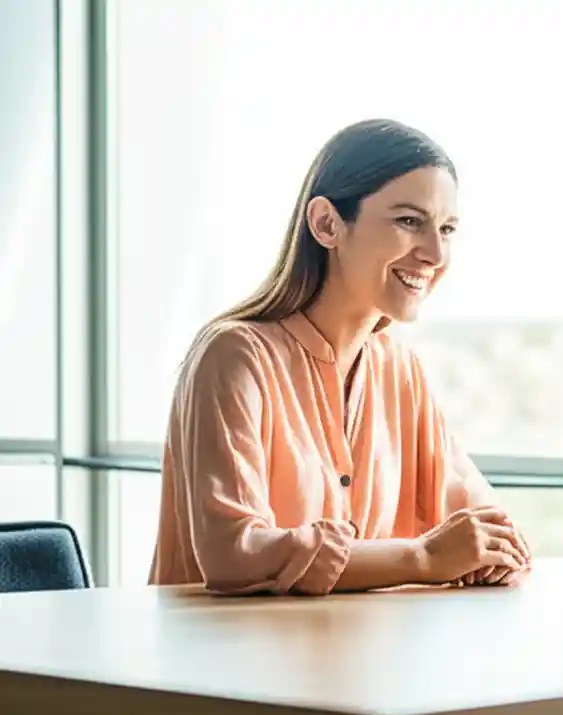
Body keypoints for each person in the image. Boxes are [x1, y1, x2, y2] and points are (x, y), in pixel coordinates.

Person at [150, 119, 531, 595]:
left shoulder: (399, 370)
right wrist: (423, 557)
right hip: (218, 644)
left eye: (447, 228)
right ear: (327, 224)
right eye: (409, 221)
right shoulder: (235, 357)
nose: (435, 254)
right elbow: (235, 553)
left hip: (362, 643)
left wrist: (488, 553)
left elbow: (490, 529)